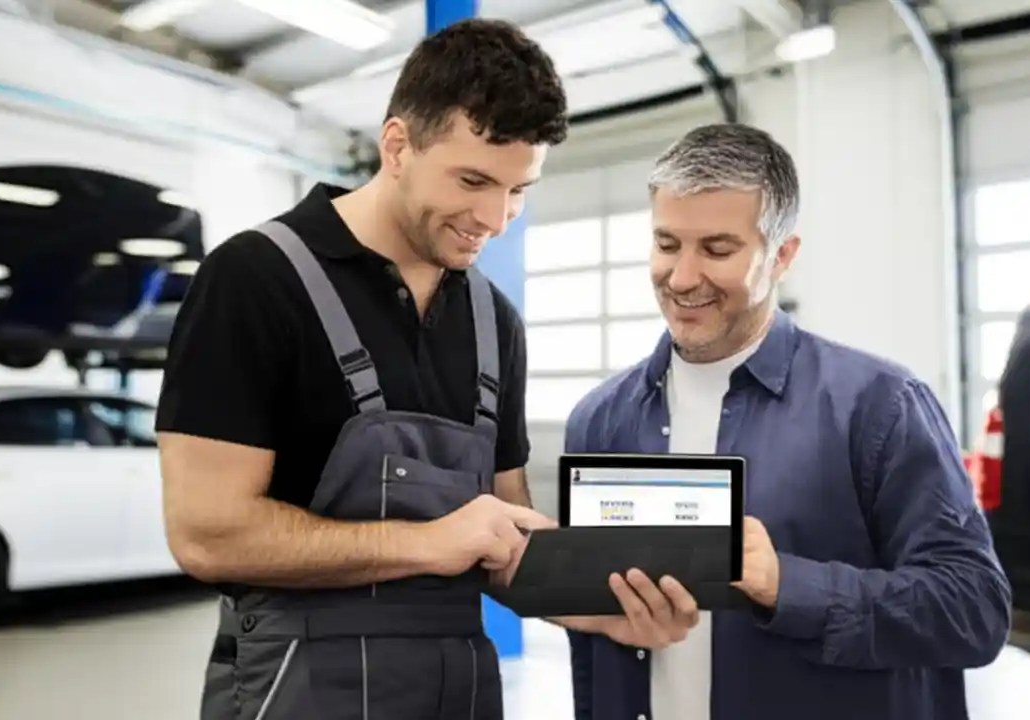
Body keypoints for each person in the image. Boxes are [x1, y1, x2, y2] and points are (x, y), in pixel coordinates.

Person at [155, 18, 697, 720]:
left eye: (517, 190)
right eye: (472, 180)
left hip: (460, 692)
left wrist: (597, 609)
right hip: (298, 687)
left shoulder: (493, 322)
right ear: (397, 146)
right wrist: (426, 542)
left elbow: (502, 536)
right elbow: (205, 533)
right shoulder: (253, 280)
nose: (495, 217)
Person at [563, 123, 1013, 720]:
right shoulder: (600, 420)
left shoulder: (880, 407)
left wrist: (788, 585)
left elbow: (974, 609)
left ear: (782, 256)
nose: (682, 277)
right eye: (667, 244)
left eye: (717, 250)